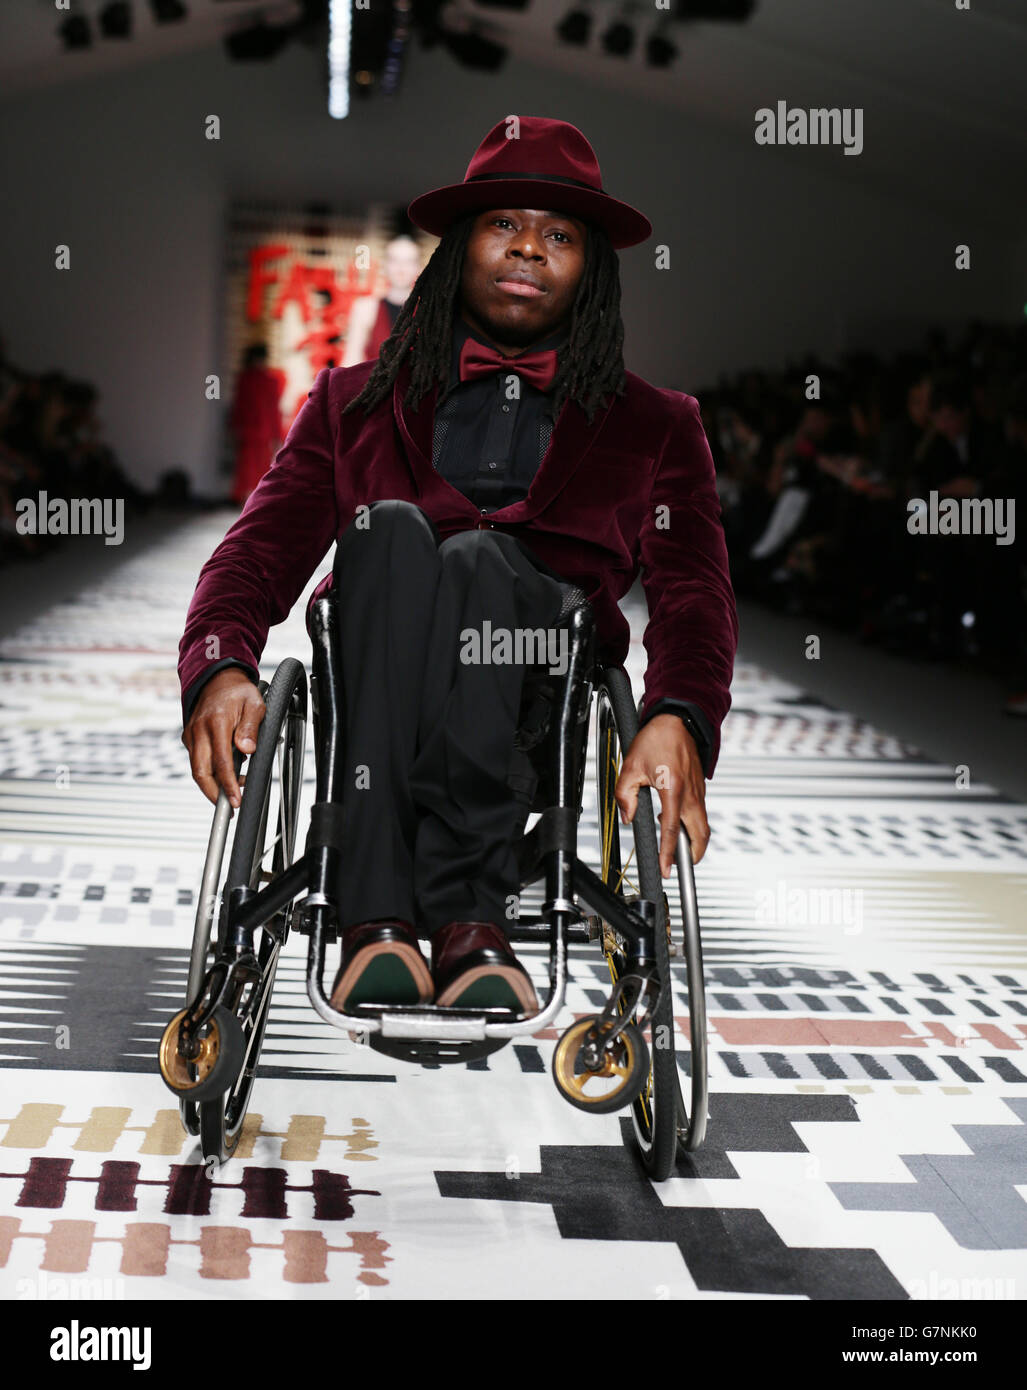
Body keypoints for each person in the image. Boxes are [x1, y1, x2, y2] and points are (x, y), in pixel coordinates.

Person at [179, 116, 738, 1017]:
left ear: (591, 266)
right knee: (394, 532)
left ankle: (464, 913)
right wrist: (220, 663)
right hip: (378, 665)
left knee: (485, 559)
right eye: (502, 224)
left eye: (559, 234)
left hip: (534, 688)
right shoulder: (349, 401)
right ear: (459, 248)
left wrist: (679, 715)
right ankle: (381, 916)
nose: (528, 248)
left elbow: (693, 593)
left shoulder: (656, 424)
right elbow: (255, 553)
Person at [342, 234, 424, 367]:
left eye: (409, 261)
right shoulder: (366, 308)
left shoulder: (429, 313)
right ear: (385, 265)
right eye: (395, 260)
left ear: (419, 267)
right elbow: (351, 360)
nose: (401, 268)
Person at [228, 343, 286, 504]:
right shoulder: (249, 379)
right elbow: (239, 405)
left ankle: (254, 498)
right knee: (249, 465)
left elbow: (274, 408)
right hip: (253, 429)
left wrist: (277, 433)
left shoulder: (266, 380)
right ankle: (249, 498)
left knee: (257, 465)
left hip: (259, 429)